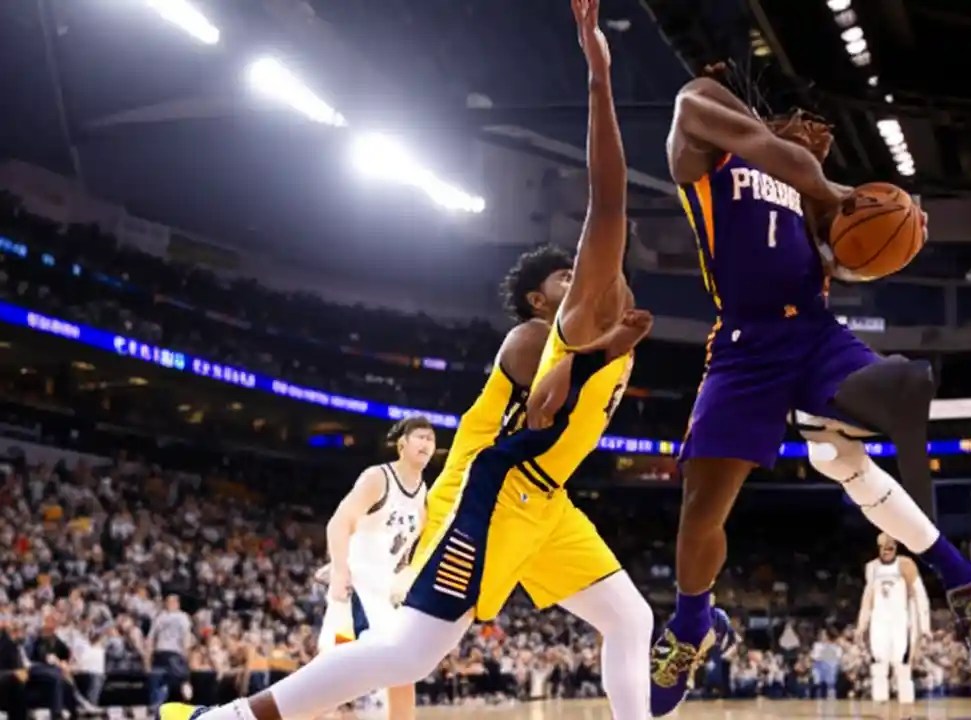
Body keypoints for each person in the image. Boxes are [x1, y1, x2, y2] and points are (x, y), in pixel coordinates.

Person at [160, 2, 653, 719]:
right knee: (410, 653)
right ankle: (229, 718)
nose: (575, 277)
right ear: (545, 300)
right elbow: (608, 200)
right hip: (490, 494)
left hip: (547, 499)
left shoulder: (603, 319)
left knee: (630, 619)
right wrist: (600, 79)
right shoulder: (565, 323)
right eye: (560, 278)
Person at [648, 63, 971, 715]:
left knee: (885, 407)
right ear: (759, 100)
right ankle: (691, 623)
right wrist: (828, 177)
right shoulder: (701, 117)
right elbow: (764, 146)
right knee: (703, 506)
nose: (818, 131)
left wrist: (890, 225)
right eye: (805, 117)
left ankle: (967, 584)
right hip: (744, 344)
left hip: (817, 336)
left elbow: (843, 258)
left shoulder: (802, 182)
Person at [315, 416, 434, 720]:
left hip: (385, 593)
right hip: (357, 590)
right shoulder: (378, 478)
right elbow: (339, 523)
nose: (427, 443)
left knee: (403, 671)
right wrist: (341, 570)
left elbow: (405, 555)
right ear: (402, 443)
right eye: (420, 436)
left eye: (431, 439)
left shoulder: (424, 494)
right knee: (329, 681)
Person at [855, 533, 928, 704]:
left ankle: (906, 705)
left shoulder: (906, 565)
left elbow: (920, 595)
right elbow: (867, 598)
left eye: (890, 547)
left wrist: (924, 626)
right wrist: (861, 624)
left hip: (901, 620)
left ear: (895, 548)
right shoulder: (872, 567)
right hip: (879, 620)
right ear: (879, 548)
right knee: (879, 665)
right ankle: (880, 705)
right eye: (884, 547)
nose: (887, 551)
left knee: (902, 665)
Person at [150, 595, 194, 704]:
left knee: (167, 682)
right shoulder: (164, 617)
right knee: (181, 680)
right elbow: (151, 637)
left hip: (167, 653)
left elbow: (151, 638)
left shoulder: (178, 617)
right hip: (168, 654)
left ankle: (162, 706)